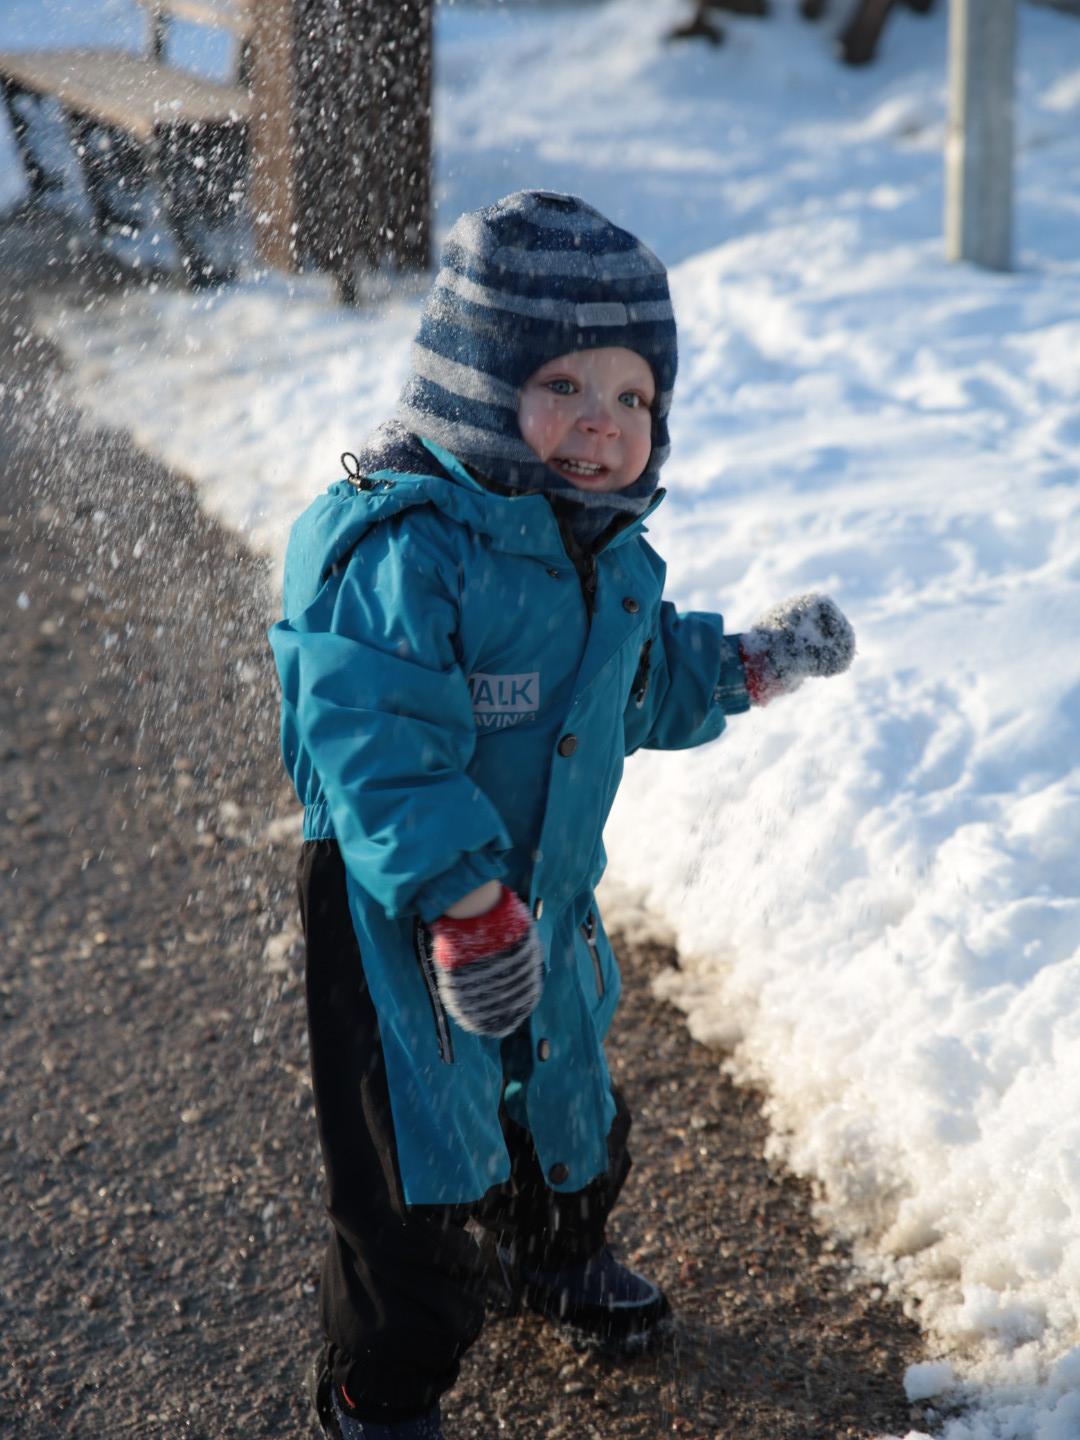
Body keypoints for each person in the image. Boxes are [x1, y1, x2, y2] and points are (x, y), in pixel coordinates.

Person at [268, 190, 855, 1440]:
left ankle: (555, 1252)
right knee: (416, 1163)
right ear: (480, 386)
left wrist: (751, 663)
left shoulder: (606, 559)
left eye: (634, 398)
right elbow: (372, 743)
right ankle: (381, 1383)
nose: (603, 426)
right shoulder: (406, 550)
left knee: (568, 1098)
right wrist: (464, 906)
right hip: (403, 917)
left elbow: (639, 682)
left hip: (546, 899)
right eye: (566, 388)